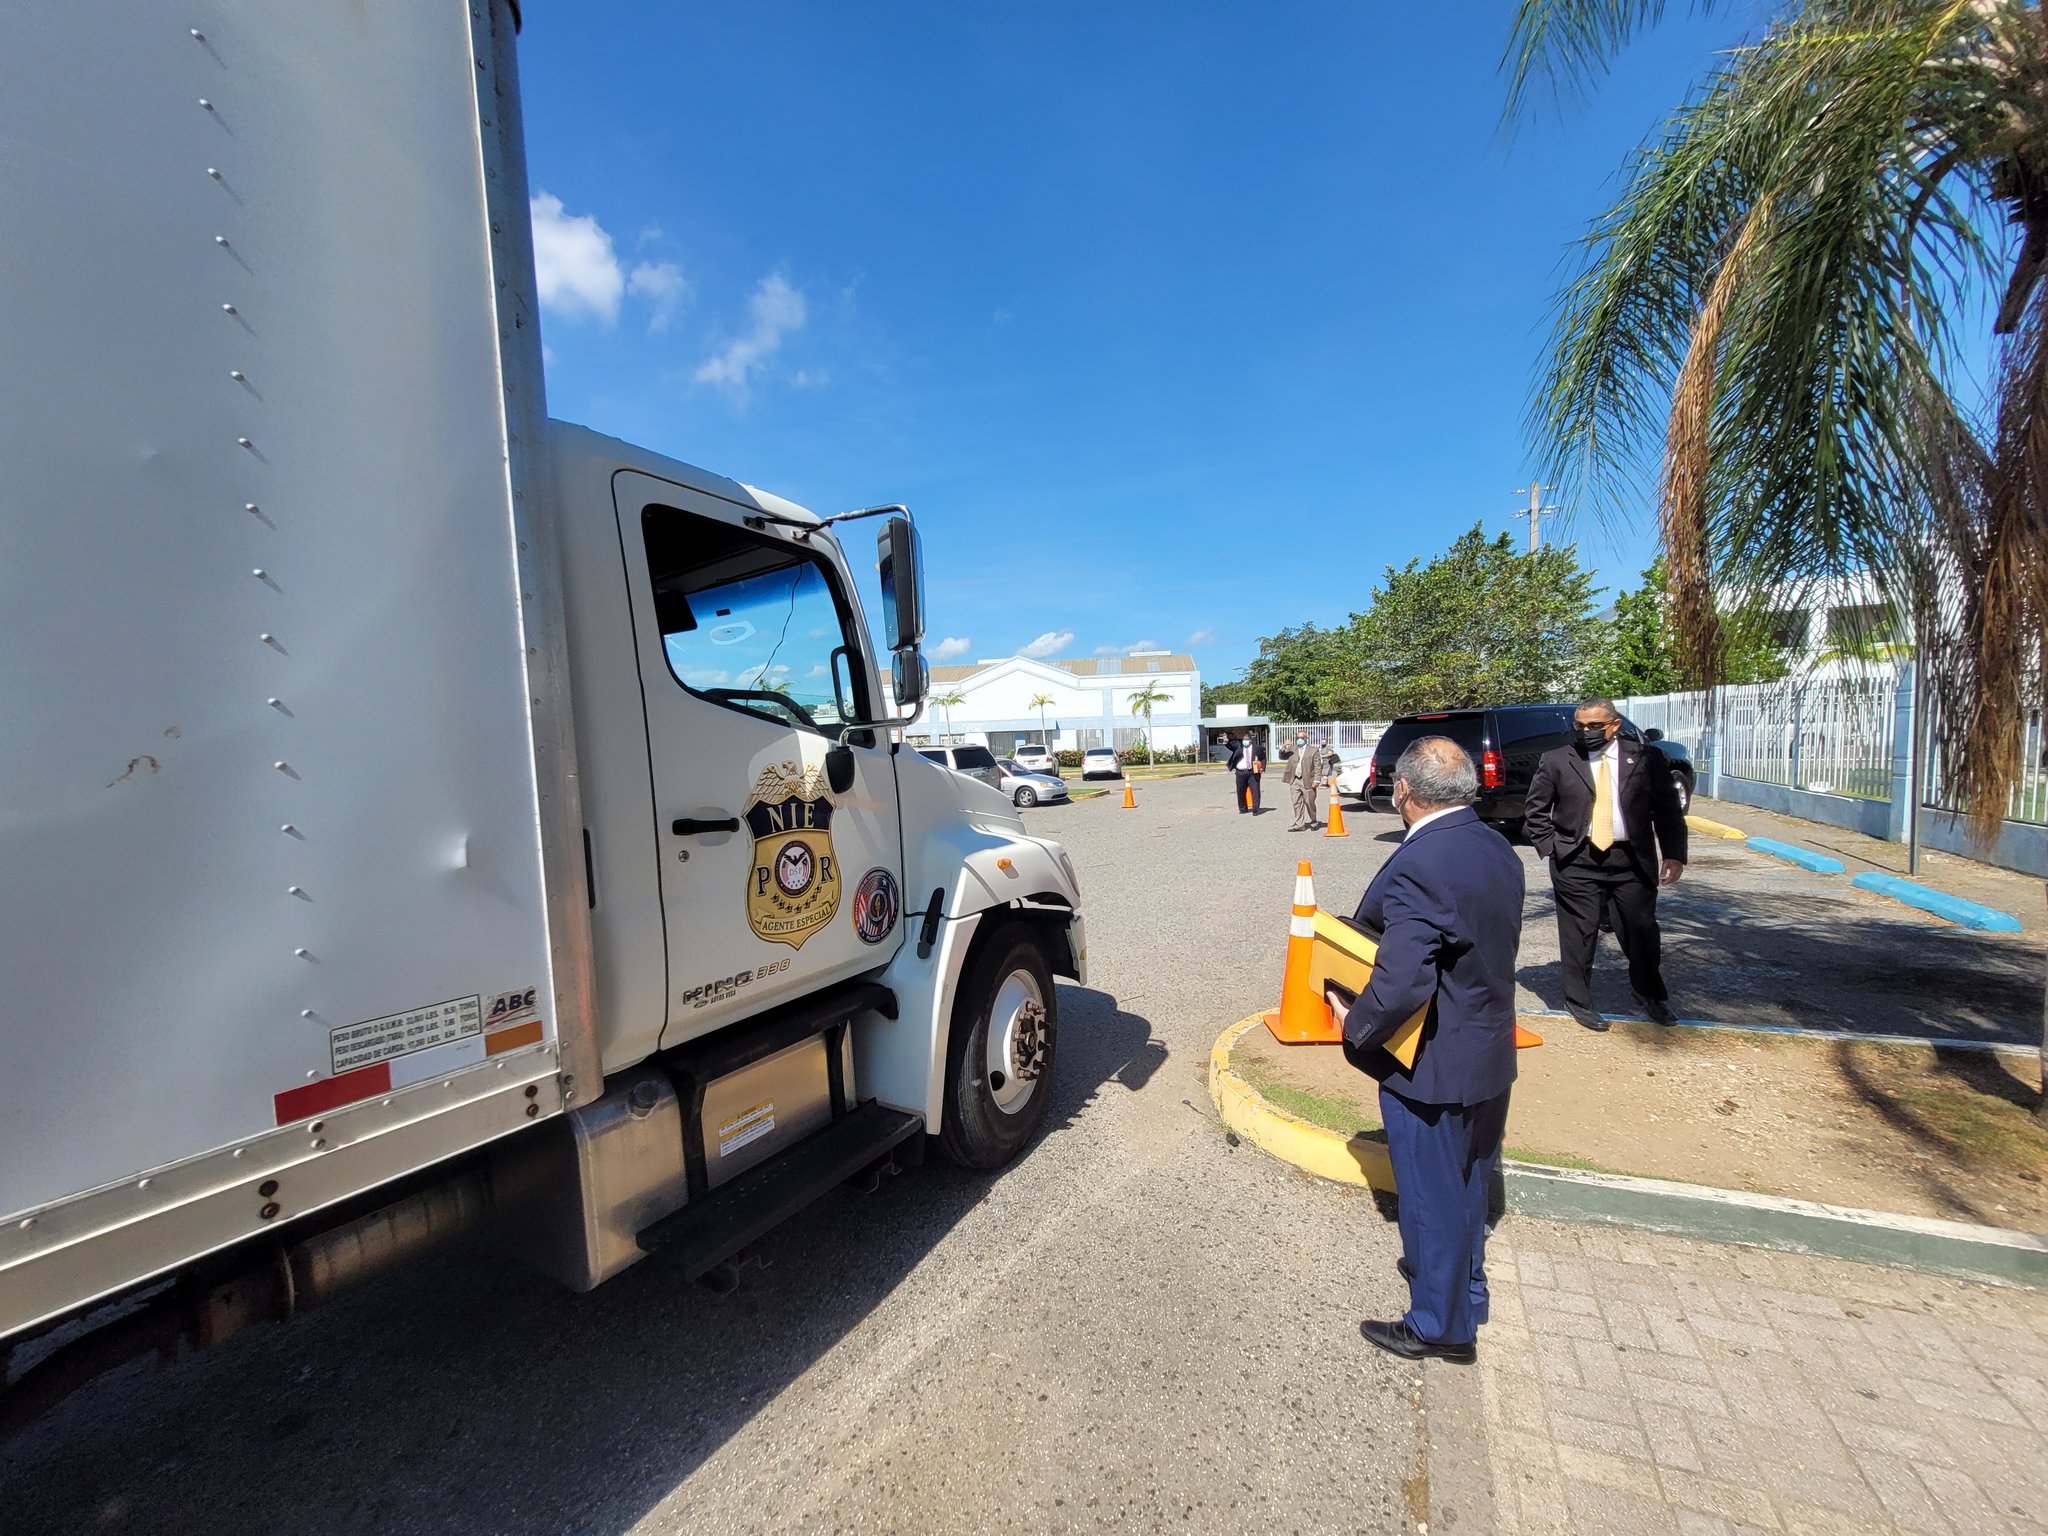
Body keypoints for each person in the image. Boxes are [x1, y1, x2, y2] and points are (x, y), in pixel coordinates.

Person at [1327, 737, 1523, 1364]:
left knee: (1432, 1195)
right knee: (1469, 1182)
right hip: (1489, 1050)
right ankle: (1467, 1290)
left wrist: (1354, 1024)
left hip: (1432, 1062)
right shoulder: (1496, 847)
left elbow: (1404, 979)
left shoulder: (1420, 863)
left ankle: (1439, 1326)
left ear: (1404, 792)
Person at [1523, 697, 1688, 1032]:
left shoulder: (1646, 758)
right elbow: (1535, 810)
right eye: (1580, 726)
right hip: (1577, 861)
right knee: (1578, 935)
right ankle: (1579, 1001)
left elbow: (1668, 810)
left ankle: (1651, 996)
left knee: (1640, 933)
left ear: (1614, 725)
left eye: (1594, 726)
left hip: (1631, 860)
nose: (1586, 733)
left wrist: (1674, 853)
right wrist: (1552, 847)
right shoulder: (1558, 760)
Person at [1282, 730, 1328, 831]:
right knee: (1296, 802)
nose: (1299, 740)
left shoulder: (1313, 750)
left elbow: (1317, 766)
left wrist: (1316, 780)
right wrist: (1283, 747)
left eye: (1301, 738)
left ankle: (1314, 821)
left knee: (1309, 802)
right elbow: (1282, 756)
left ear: (1306, 739)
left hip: (1307, 779)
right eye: (1298, 738)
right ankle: (1299, 824)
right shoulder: (1292, 748)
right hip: (1294, 779)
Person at [1230, 733, 1262, 814]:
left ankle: (1255, 809)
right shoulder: (1239, 747)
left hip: (1252, 772)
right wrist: (1226, 742)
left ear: (1250, 740)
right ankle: (1243, 808)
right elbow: (1230, 746)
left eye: (1247, 739)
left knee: (1255, 791)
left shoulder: (1257, 748)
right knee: (1240, 791)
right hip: (1240, 773)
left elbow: (1263, 757)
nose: (1245, 741)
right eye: (1244, 740)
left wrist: (1262, 767)